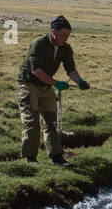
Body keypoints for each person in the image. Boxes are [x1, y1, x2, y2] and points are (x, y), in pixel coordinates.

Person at [16, 16, 90, 164]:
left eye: (68, 36)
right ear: (53, 32)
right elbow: (36, 70)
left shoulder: (66, 49)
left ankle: (56, 156)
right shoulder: (39, 43)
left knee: (51, 121)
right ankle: (30, 158)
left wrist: (80, 81)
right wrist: (56, 83)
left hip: (46, 85)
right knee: (32, 121)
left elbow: (71, 70)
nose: (65, 39)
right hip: (29, 83)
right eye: (63, 35)